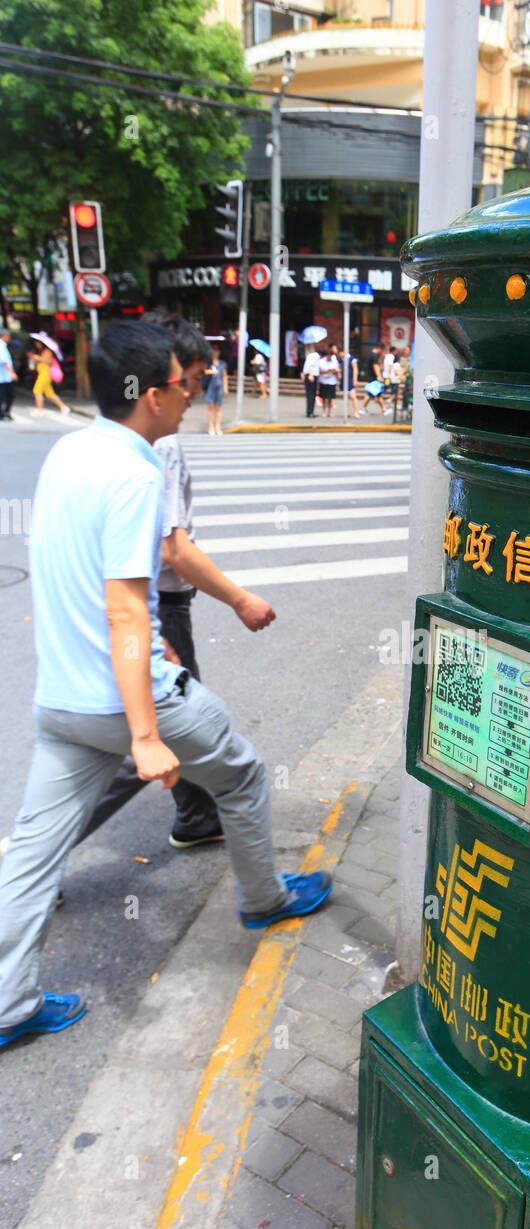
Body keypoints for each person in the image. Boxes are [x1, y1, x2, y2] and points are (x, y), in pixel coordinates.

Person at [0, 320, 331, 1048]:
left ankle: (7, 1004)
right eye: (184, 383)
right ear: (151, 396)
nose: (193, 393)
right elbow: (123, 603)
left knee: (32, 850)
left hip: (62, 700)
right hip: (128, 699)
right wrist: (146, 734)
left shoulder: (67, 454)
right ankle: (264, 899)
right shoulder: (134, 473)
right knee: (242, 779)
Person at [72, 309, 276, 855]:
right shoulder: (154, 444)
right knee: (153, 728)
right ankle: (41, 850)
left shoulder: (104, 444)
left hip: (149, 603)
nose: (197, 391)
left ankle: (197, 811)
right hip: (154, 603)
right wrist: (240, 599)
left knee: (157, 720)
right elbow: (172, 547)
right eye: (196, 376)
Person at [28, 342, 70, 417]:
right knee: (49, 393)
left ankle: (39, 410)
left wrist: (38, 358)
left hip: (46, 374)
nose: (37, 345)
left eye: (38, 343)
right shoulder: (40, 352)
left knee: (37, 390)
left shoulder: (47, 351)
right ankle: (63, 407)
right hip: (42, 374)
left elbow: (49, 361)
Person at [203, 340, 229, 435]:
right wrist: (211, 372)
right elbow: (203, 371)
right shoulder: (208, 362)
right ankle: (210, 426)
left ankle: (218, 426)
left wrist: (225, 387)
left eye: (217, 349)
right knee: (210, 407)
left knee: (218, 407)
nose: (215, 351)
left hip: (219, 386)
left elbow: (224, 375)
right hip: (210, 386)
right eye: (213, 349)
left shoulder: (222, 363)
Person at [360, 344, 387, 415]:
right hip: (374, 378)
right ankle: (363, 408)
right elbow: (375, 366)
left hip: (371, 377)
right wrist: (379, 376)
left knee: (375, 394)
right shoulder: (374, 356)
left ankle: (384, 409)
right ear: (380, 348)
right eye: (382, 350)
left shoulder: (371, 354)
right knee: (373, 394)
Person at [318, 343, 340, 419]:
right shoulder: (321, 361)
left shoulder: (334, 361)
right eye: (328, 356)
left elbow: (338, 370)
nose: (329, 358)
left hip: (332, 381)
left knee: (330, 398)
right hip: (324, 381)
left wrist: (334, 371)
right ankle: (324, 411)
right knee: (324, 398)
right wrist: (326, 371)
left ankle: (329, 412)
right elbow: (318, 371)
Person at [340, 345, 360, 419]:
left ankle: (356, 412)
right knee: (345, 397)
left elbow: (355, 370)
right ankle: (347, 412)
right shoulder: (341, 359)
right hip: (343, 379)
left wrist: (355, 380)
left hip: (350, 379)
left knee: (353, 397)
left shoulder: (352, 359)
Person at [0, 330, 16, 421]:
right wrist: (12, 373)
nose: (10, 339)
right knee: (7, 395)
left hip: (4, 376)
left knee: (6, 395)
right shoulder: (1, 346)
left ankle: (5, 413)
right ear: (4, 336)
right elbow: (4, 362)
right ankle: (5, 412)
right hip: (3, 377)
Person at [303, 343, 321, 418]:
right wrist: (311, 375)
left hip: (310, 375)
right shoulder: (315, 356)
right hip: (311, 376)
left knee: (311, 395)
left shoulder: (311, 355)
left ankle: (310, 411)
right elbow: (309, 365)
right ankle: (310, 412)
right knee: (311, 395)